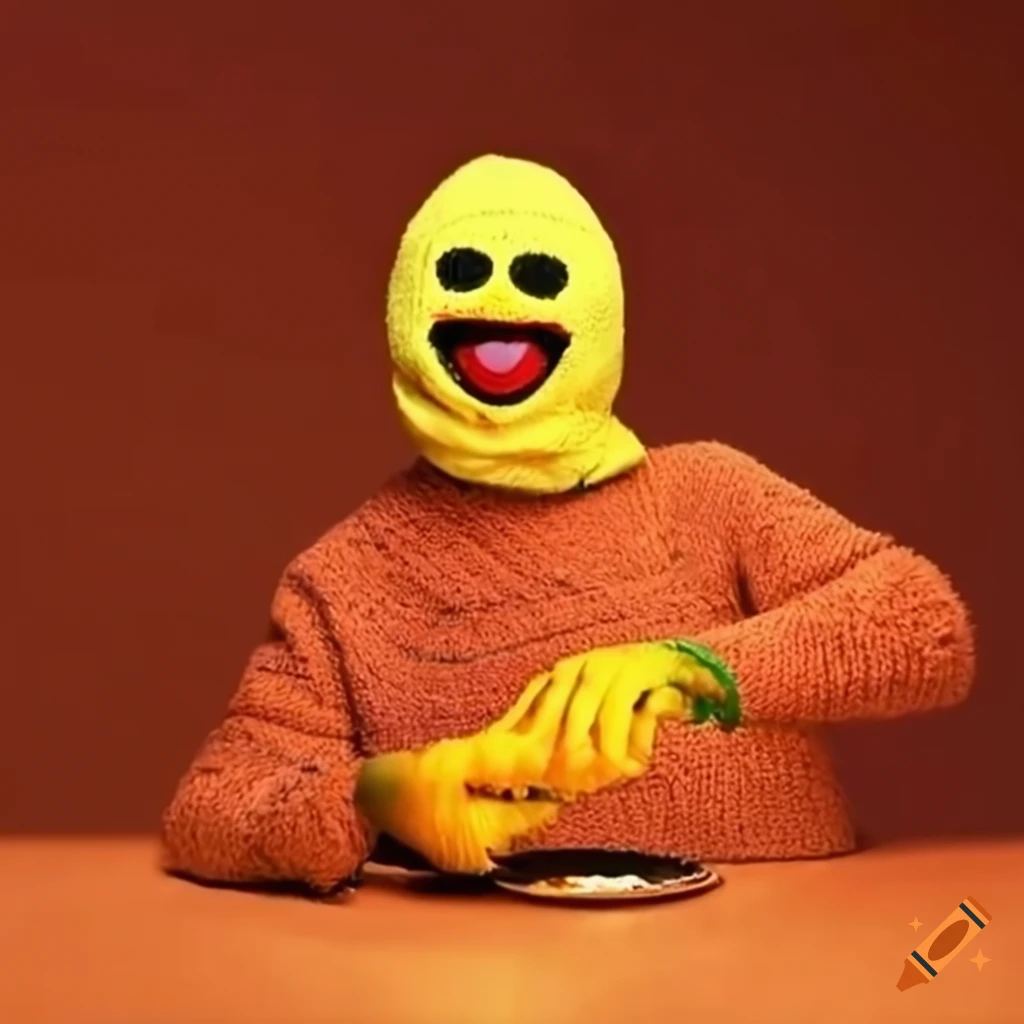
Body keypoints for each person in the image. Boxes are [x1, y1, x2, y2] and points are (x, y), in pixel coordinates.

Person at [161, 155, 975, 893]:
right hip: (494, 983)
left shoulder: (707, 490)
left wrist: (692, 669)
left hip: (794, 950)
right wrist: (376, 796)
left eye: (541, 274)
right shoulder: (345, 578)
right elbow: (211, 809)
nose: (503, 303)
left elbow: (927, 629)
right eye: (469, 273)